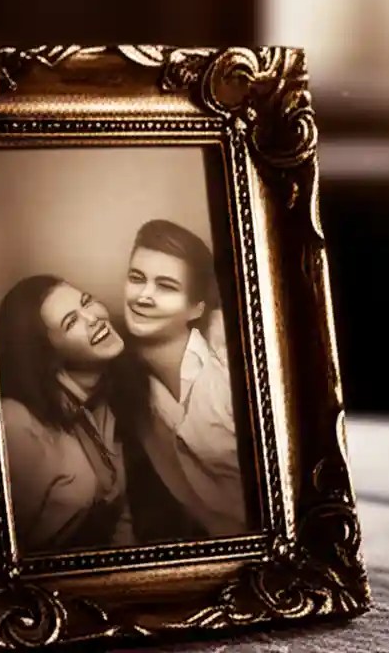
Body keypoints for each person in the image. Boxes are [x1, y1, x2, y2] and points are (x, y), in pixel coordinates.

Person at [122, 219, 248, 538]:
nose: (143, 296)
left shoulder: (230, 355)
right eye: (136, 278)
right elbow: (192, 497)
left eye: (166, 286)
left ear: (195, 309)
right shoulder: (135, 389)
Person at [0, 274, 138, 553]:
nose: (93, 318)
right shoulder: (15, 424)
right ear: (48, 354)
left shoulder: (105, 403)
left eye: (87, 302)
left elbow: (121, 515)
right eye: (71, 322)